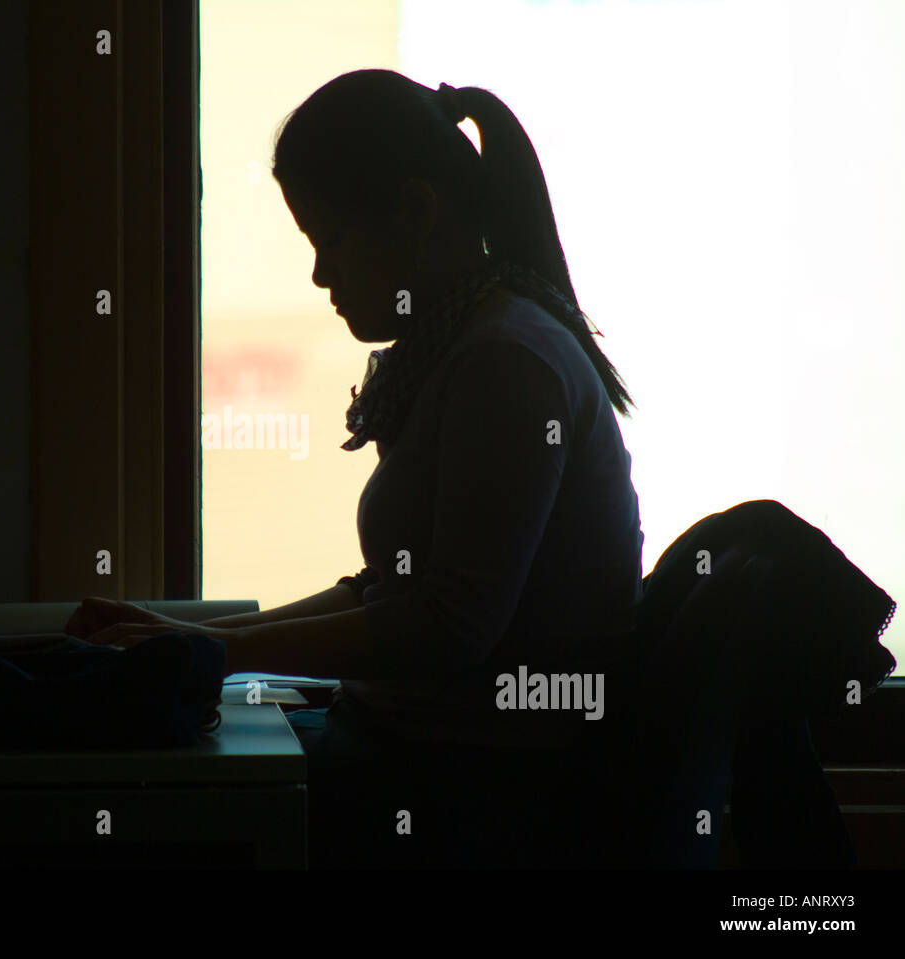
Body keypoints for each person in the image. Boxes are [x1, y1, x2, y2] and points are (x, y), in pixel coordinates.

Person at [68, 69, 645, 868]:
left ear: (416, 213)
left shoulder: (507, 364)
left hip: (484, 793)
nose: (319, 274)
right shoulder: (460, 349)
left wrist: (216, 652)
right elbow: (391, 590)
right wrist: (186, 634)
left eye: (329, 239)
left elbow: (448, 626)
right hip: (443, 760)